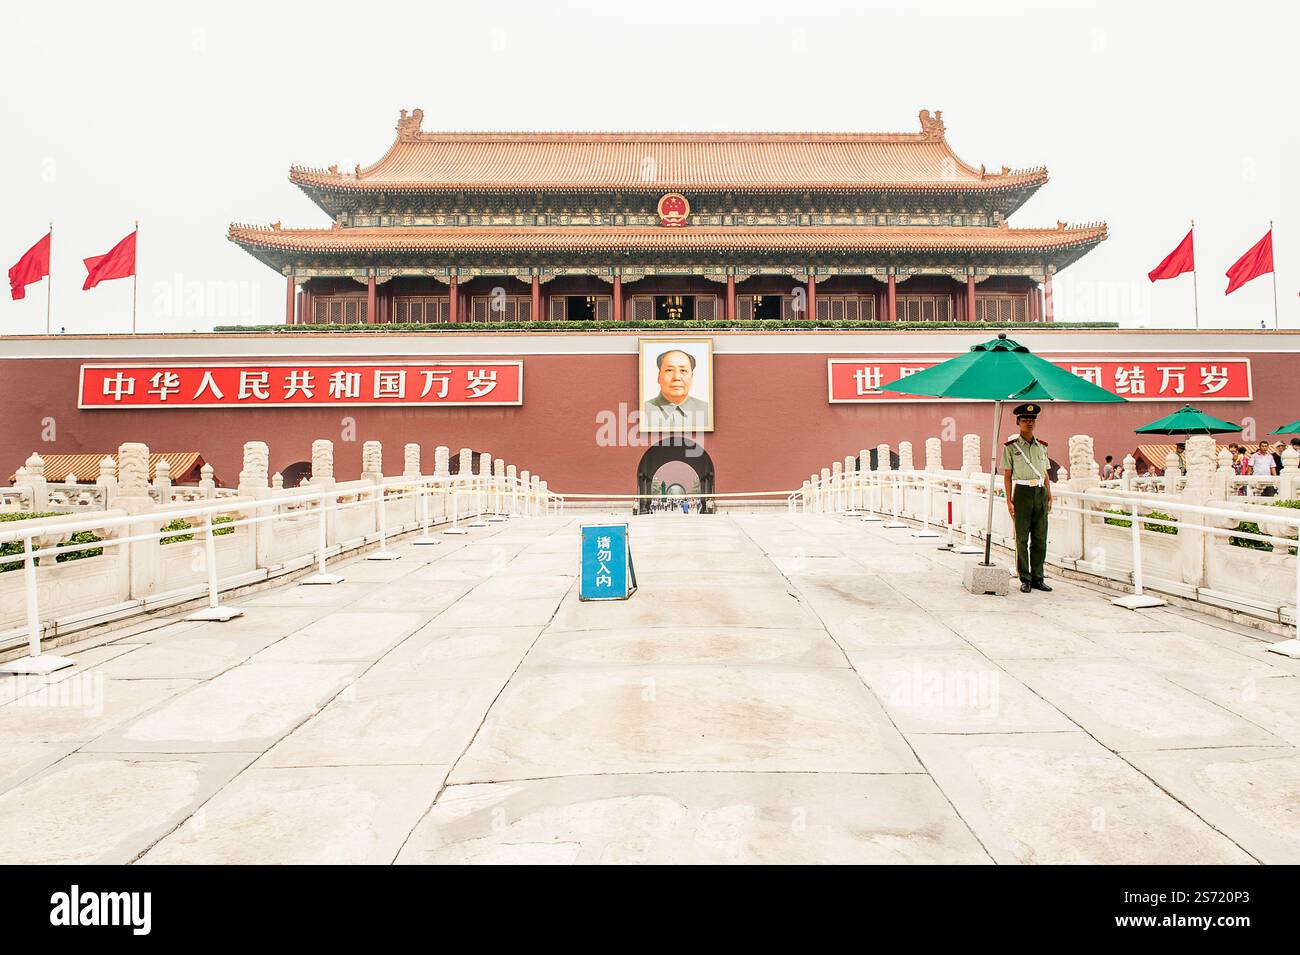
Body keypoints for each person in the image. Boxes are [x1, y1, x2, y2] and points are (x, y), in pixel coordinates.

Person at [1000, 403, 1053, 593]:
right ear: (1018, 422)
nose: (1029, 422)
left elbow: (1045, 474)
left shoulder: (1042, 447)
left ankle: (1039, 577)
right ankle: (1025, 578)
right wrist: (1009, 500)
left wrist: (1049, 496)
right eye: (1025, 420)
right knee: (1021, 538)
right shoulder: (1011, 448)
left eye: (1032, 419)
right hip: (1021, 493)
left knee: (1040, 537)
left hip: (1039, 493)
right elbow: (1007, 475)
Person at [643, 349, 709, 430]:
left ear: (692, 377)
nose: (677, 377)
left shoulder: (708, 411)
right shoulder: (642, 411)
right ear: (659, 376)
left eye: (683, 370)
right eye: (669, 370)